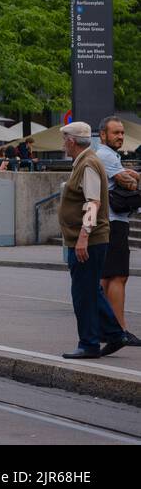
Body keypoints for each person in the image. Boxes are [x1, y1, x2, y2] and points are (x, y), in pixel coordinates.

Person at [57, 121, 126, 359]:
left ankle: (89, 343)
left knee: (83, 294)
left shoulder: (87, 164)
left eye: (64, 139)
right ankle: (115, 334)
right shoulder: (86, 162)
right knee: (91, 290)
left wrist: (83, 237)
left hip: (89, 240)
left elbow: (93, 202)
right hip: (89, 239)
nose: (63, 144)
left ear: (71, 141)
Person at [97, 116, 141, 346]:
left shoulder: (108, 156)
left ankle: (106, 328)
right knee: (118, 276)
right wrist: (133, 176)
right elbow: (128, 183)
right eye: (116, 133)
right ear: (103, 134)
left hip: (109, 221)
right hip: (114, 222)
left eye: (122, 133)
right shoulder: (105, 155)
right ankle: (120, 330)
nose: (121, 137)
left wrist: (131, 174)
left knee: (107, 276)